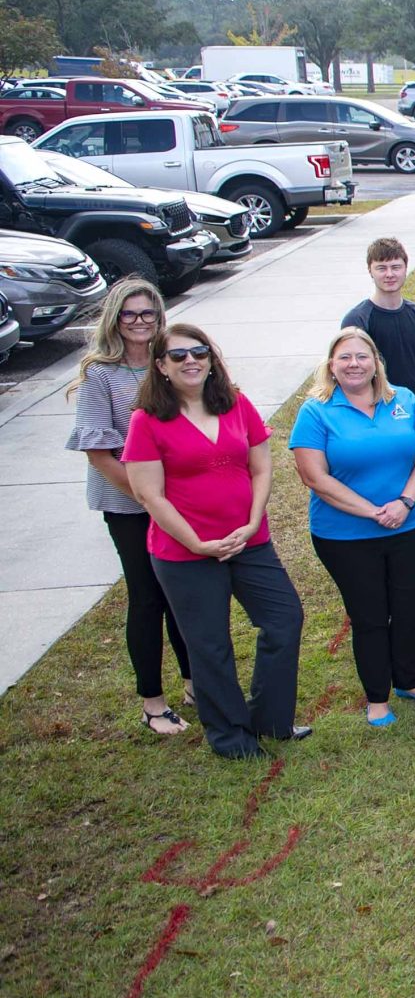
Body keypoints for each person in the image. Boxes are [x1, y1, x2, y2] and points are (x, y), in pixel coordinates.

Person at [124, 326, 308, 759]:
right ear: (161, 367)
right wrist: (198, 543)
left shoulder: (236, 404)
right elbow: (149, 494)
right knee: (209, 644)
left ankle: (272, 720)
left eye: (199, 352)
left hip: (250, 540)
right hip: (185, 554)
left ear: (211, 359)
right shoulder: (147, 421)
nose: (191, 361)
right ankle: (230, 737)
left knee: (284, 619)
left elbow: (261, 469)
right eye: (179, 355)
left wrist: (250, 522)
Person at [290, 330, 415, 727]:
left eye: (361, 356)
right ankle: (377, 698)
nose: (354, 364)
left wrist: (405, 502)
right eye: (344, 358)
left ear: (376, 362)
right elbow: (314, 477)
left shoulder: (403, 400)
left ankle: (409, 680)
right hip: (346, 536)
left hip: (408, 526)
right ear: (331, 365)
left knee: (411, 609)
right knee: (371, 615)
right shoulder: (316, 411)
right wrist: (374, 511)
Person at [64, 278, 192, 736]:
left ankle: (195, 682)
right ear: (114, 318)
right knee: (148, 596)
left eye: (149, 314)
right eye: (130, 315)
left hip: (177, 502)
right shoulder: (100, 374)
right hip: (128, 505)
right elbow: (99, 453)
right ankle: (153, 703)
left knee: (184, 592)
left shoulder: (171, 364)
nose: (140, 322)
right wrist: (147, 497)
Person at [341, 238, 415, 605]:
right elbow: (353, 371)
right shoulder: (358, 319)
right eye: (382, 267)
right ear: (371, 271)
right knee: (384, 494)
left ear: (406, 268)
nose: (390, 274)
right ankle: (382, 567)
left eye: (396, 266)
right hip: (377, 427)